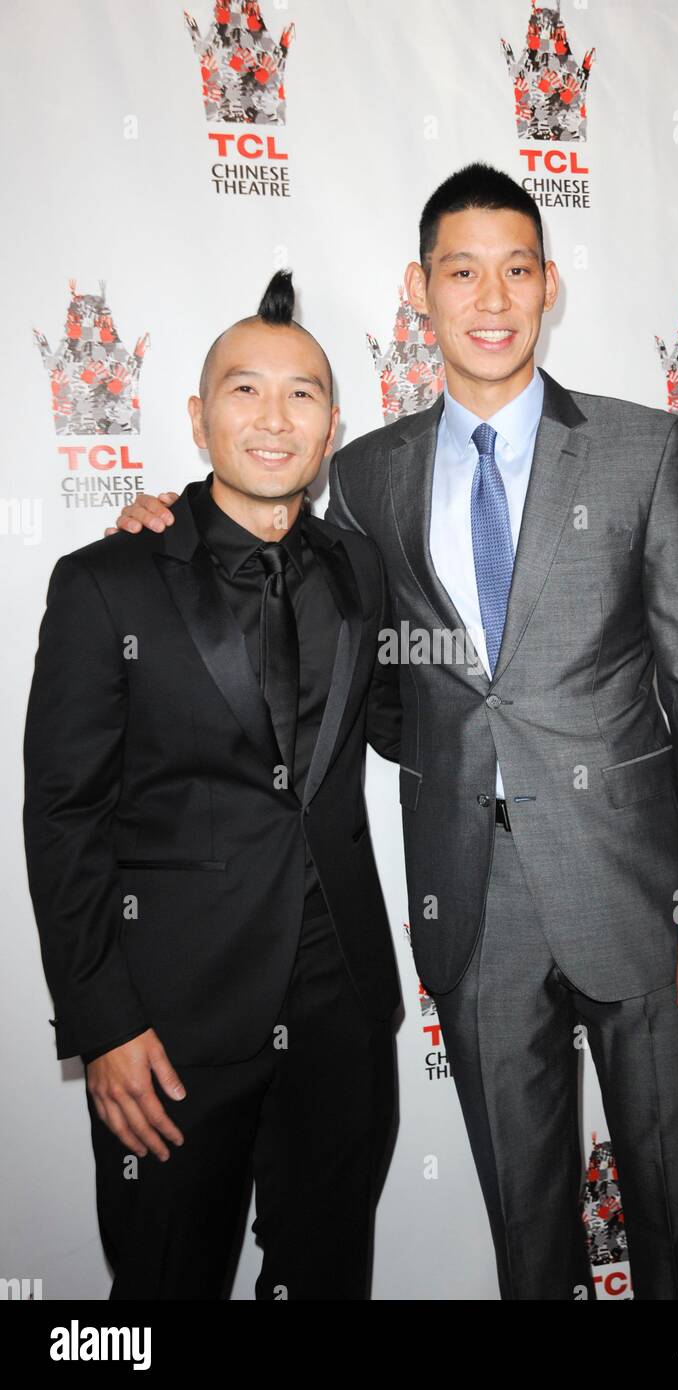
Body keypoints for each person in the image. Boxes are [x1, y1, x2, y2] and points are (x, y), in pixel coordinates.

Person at [109, 163, 678, 1301]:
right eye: (463, 271)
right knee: (528, 1230)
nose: (492, 297)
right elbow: (265, 521)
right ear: (422, 289)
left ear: (550, 284)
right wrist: (160, 521)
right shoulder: (366, 474)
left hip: (640, 894)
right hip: (469, 903)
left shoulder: (641, 447)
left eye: (517, 269)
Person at [23, 271, 402, 1300]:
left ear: (331, 432)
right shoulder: (107, 582)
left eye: (303, 395)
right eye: (245, 391)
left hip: (340, 1005)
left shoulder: (363, 572)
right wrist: (101, 1020)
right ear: (198, 418)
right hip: (170, 1022)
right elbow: (63, 817)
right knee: (161, 1286)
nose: (274, 418)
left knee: (325, 1273)